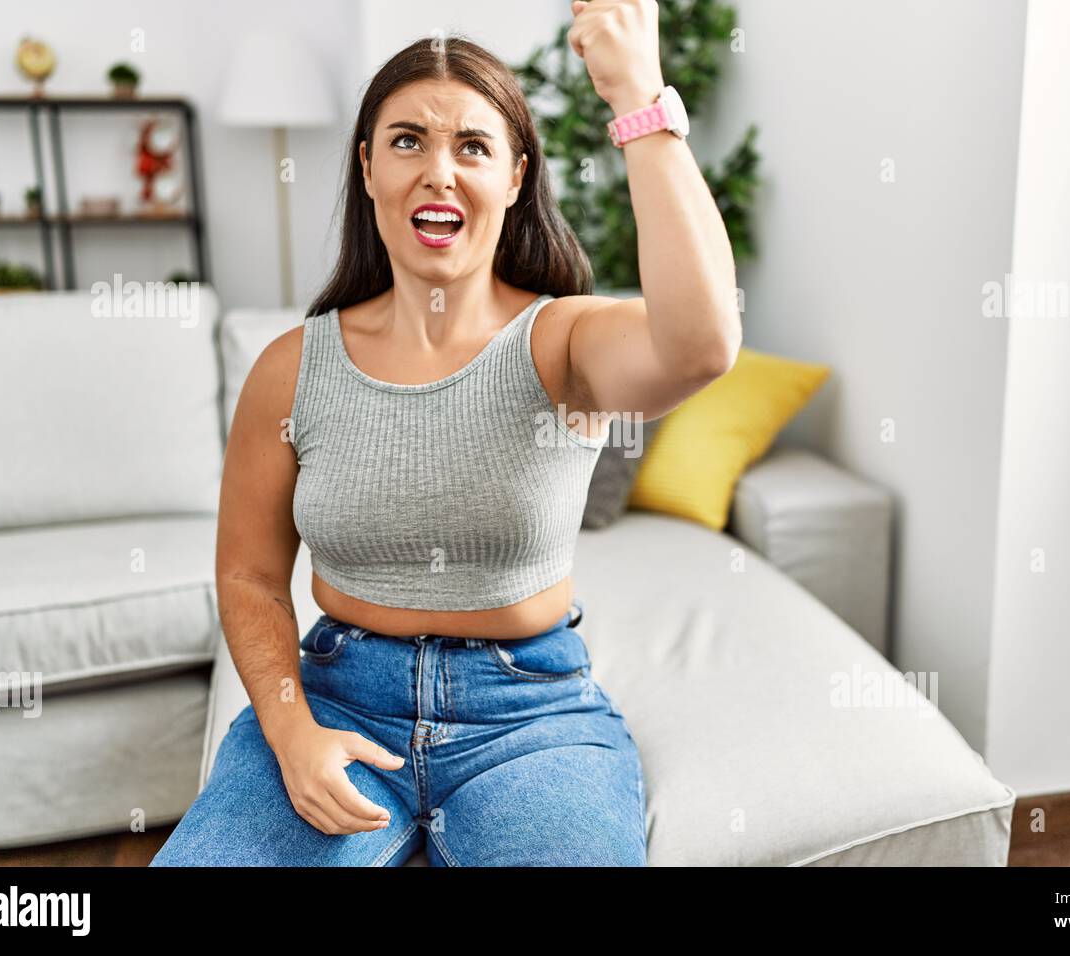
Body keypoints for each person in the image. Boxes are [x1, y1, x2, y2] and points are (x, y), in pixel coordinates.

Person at [151, 0, 740, 866]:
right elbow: (247, 574)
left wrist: (636, 96)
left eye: (472, 145)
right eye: (406, 141)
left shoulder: (563, 343)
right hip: (339, 700)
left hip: (531, 720)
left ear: (514, 177)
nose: (439, 170)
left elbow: (701, 344)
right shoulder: (290, 367)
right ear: (365, 167)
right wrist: (290, 730)